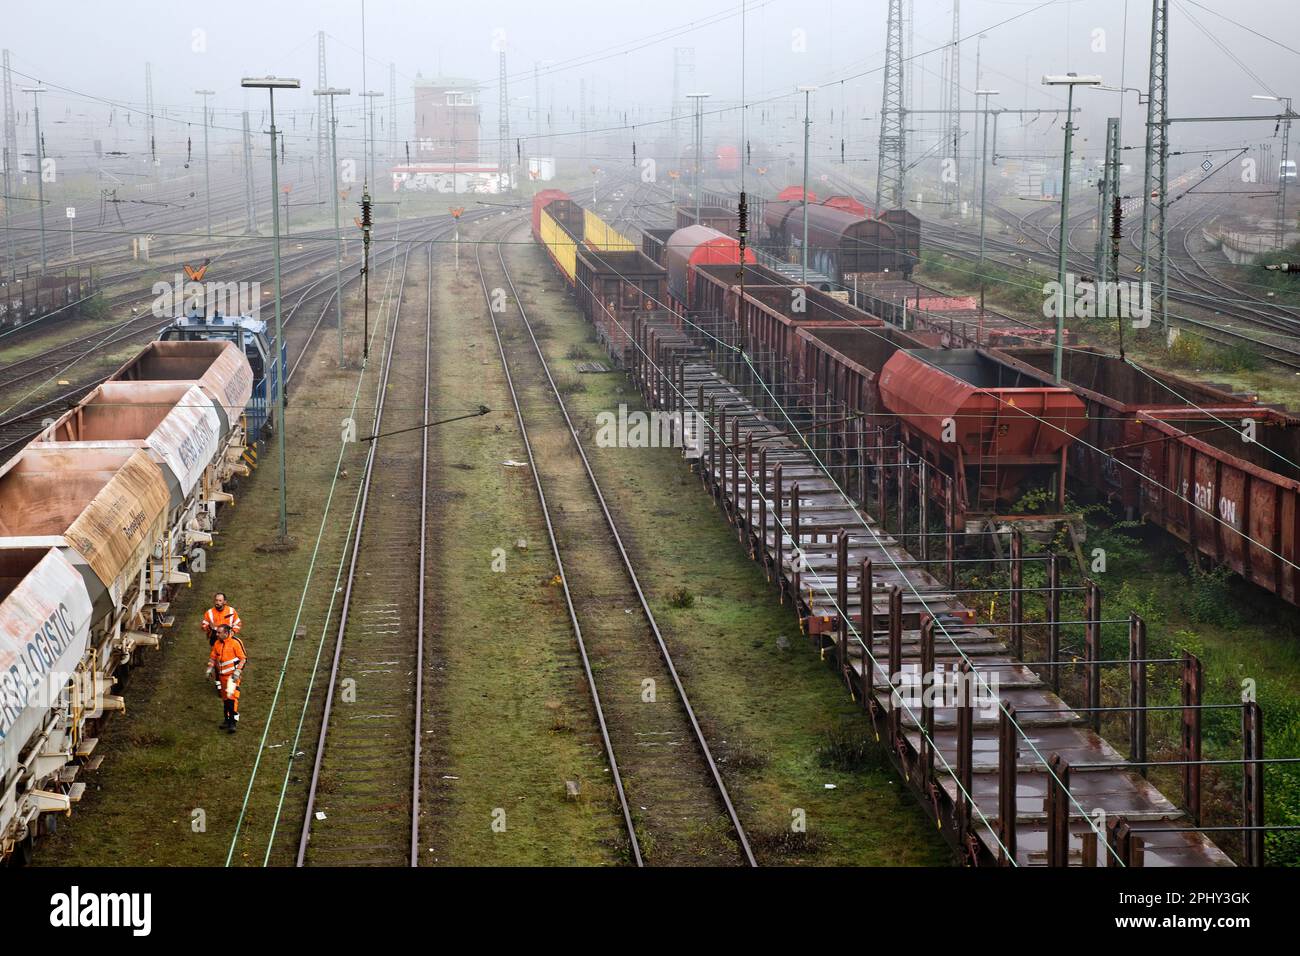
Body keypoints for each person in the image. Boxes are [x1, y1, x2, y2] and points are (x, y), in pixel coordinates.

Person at [206, 624, 248, 733]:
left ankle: (233, 723)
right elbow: (213, 657)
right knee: (225, 700)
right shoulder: (217, 643)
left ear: (226, 633)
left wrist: (238, 671)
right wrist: (210, 668)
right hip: (222, 676)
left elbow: (243, 659)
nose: (217, 634)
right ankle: (227, 720)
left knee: (231, 700)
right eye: (217, 632)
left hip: (232, 677)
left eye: (219, 633)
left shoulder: (236, 642)